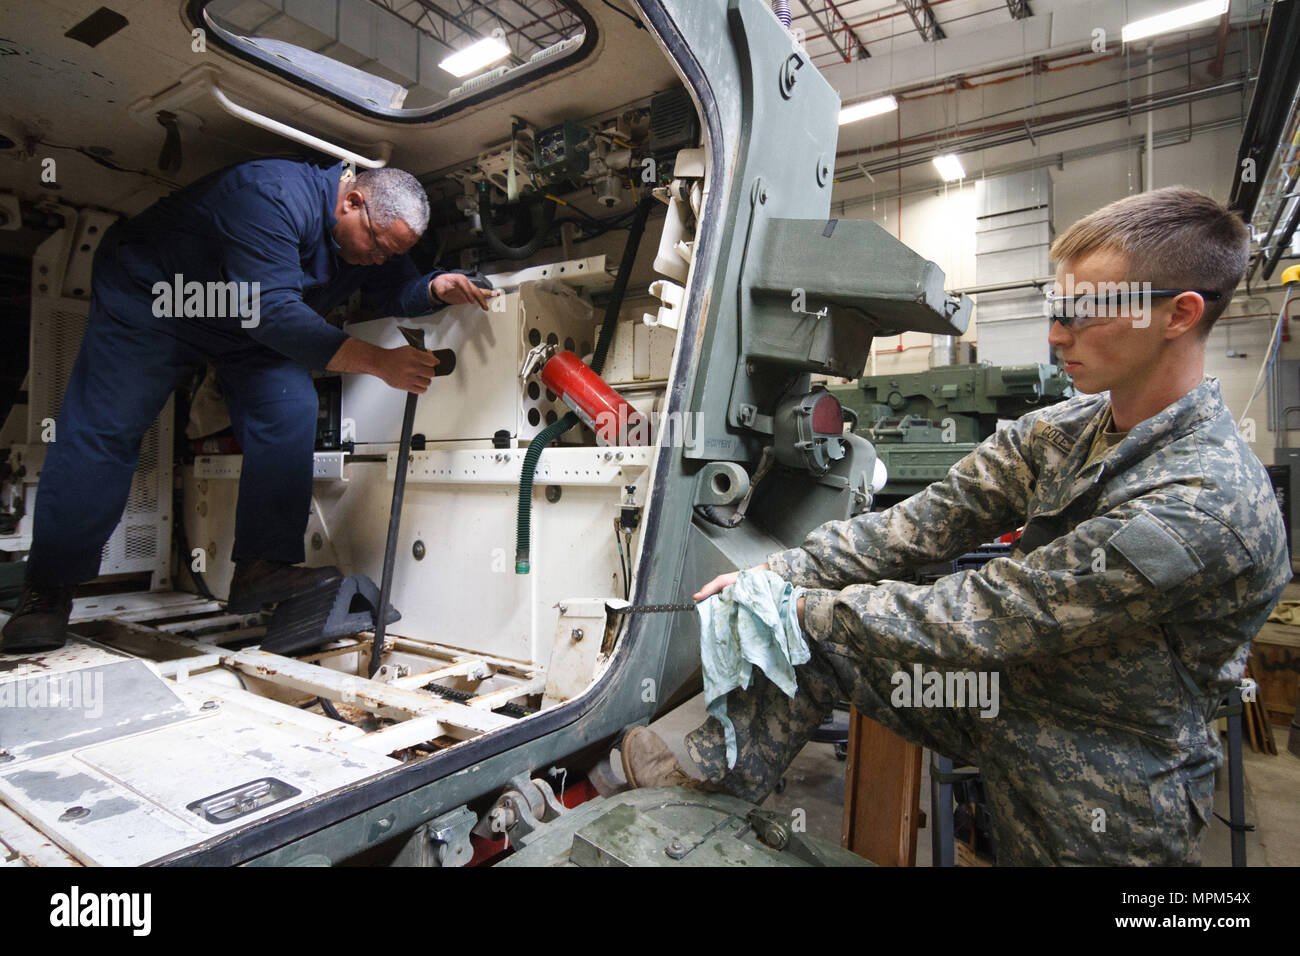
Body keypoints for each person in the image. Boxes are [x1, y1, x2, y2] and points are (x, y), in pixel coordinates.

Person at [622, 185, 1291, 865]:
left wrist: (804, 609)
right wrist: (782, 575)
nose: (1058, 334)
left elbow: (996, 613)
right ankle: (708, 792)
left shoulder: (1206, 502)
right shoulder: (1062, 433)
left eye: (1087, 313)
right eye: (1057, 309)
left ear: (1178, 315)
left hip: (1109, 774)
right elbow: (922, 524)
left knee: (812, 627)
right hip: (1004, 703)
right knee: (804, 642)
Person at [2, 159, 492, 653]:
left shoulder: (368, 235)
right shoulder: (269, 193)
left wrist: (432, 287)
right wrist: (379, 362)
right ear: (352, 202)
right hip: (158, 301)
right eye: (379, 246)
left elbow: (390, 287)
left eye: (394, 253)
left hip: (241, 321)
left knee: (290, 409)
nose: (380, 259)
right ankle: (47, 590)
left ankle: (261, 569)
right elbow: (273, 313)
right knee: (106, 429)